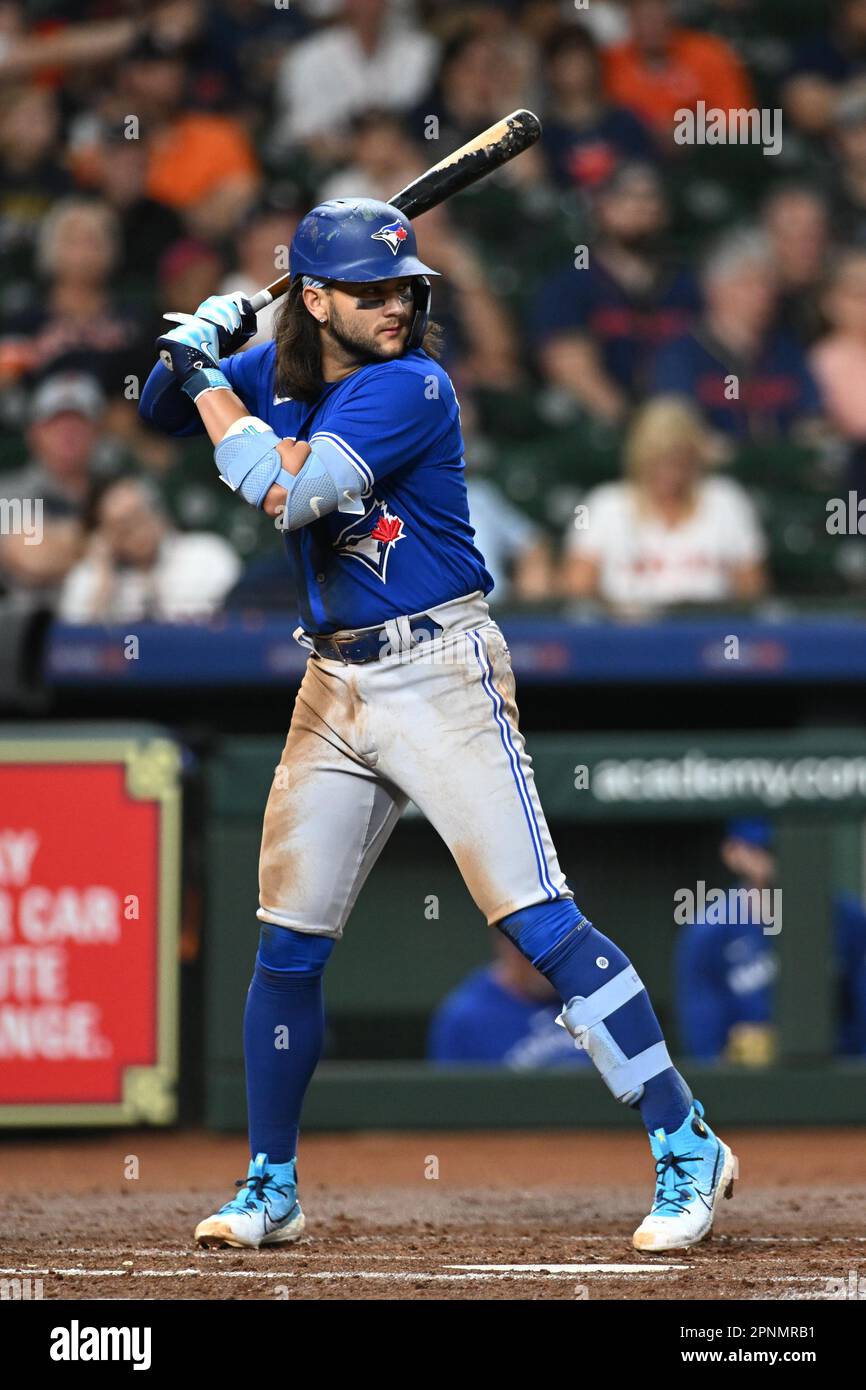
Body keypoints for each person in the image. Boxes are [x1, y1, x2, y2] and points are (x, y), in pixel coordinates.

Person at [140, 196, 738, 1254]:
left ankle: (685, 1140)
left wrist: (199, 373)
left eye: (404, 290)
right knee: (287, 944)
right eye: (367, 291)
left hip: (438, 672)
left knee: (535, 918)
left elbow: (290, 494)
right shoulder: (278, 374)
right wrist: (207, 331)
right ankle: (270, 1183)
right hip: (331, 685)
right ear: (312, 298)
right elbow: (153, 408)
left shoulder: (410, 385)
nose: (393, 307)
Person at [675, 818, 866, 1063]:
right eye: (765, 849)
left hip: (837, 1080)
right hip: (751, 1089)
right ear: (733, 853)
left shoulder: (849, 920)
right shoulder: (709, 933)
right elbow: (704, 1044)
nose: (778, 860)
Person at [561, 396, 767, 611]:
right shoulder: (605, 504)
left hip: (706, 631)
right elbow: (577, 591)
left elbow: (751, 592)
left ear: (694, 456)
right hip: (629, 632)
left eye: (677, 459)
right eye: (657, 459)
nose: (669, 472)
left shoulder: (726, 500)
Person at [530, 163, 699, 424]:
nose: (642, 207)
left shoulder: (687, 284)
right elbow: (570, 367)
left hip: (681, 423)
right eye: (627, 196)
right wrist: (633, 426)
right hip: (604, 426)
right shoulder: (571, 284)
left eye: (651, 197)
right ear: (603, 207)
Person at [649, 228, 824, 442]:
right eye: (747, 283)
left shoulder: (787, 351)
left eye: (768, 284)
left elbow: (811, 418)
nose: (762, 294)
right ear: (714, 288)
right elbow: (677, 424)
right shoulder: (681, 354)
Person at [59, 475, 241, 624]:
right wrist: (104, 585)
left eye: (140, 515)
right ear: (103, 533)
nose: (137, 531)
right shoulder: (89, 577)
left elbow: (235, 622)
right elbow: (73, 649)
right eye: (123, 526)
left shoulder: (207, 554)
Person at [0, 372, 107, 607]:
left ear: (97, 432)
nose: (68, 432)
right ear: (34, 433)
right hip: (34, 633)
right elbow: (33, 558)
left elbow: (152, 544)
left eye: (79, 422)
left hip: (113, 628)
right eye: (55, 422)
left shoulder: (115, 488)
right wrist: (108, 539)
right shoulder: (11, 493)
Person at [428, 935, 591, 1069]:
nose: (546, 960)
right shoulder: (464, 1019)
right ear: (503, 941)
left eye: (559, 945)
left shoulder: (593, 992)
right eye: (531, 946)